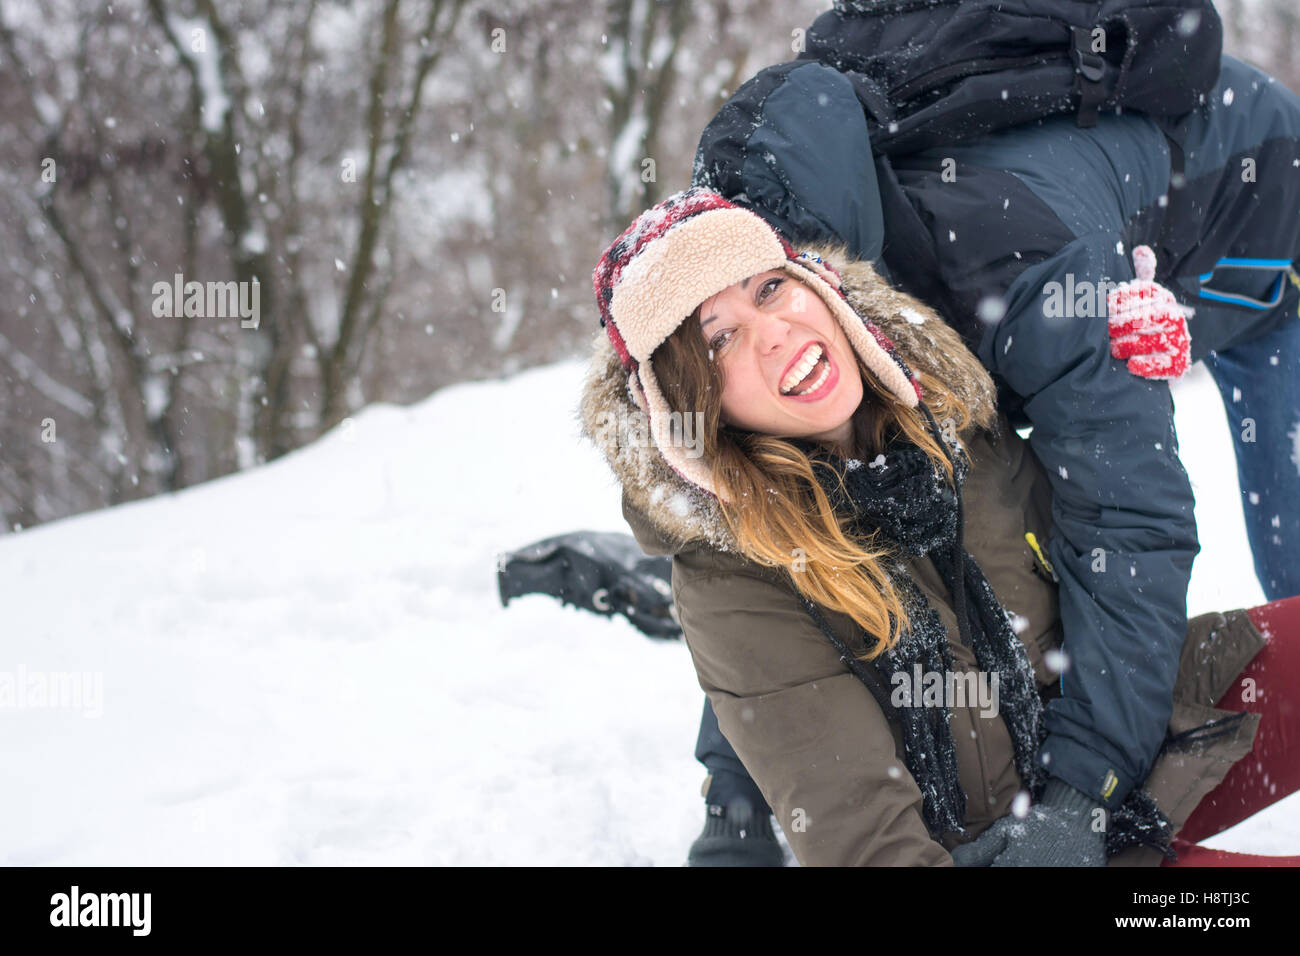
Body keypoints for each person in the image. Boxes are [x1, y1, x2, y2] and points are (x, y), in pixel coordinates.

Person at [669, 46, 1300, 863]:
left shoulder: (1015, 264)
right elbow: (763, 589)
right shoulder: (808, 351)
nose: (780, 337)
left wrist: (1084, 790)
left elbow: (1130, 515)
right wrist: (738, 821)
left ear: (830, 282)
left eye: (775, 290)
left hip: (1249, 235)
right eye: (724, 336)